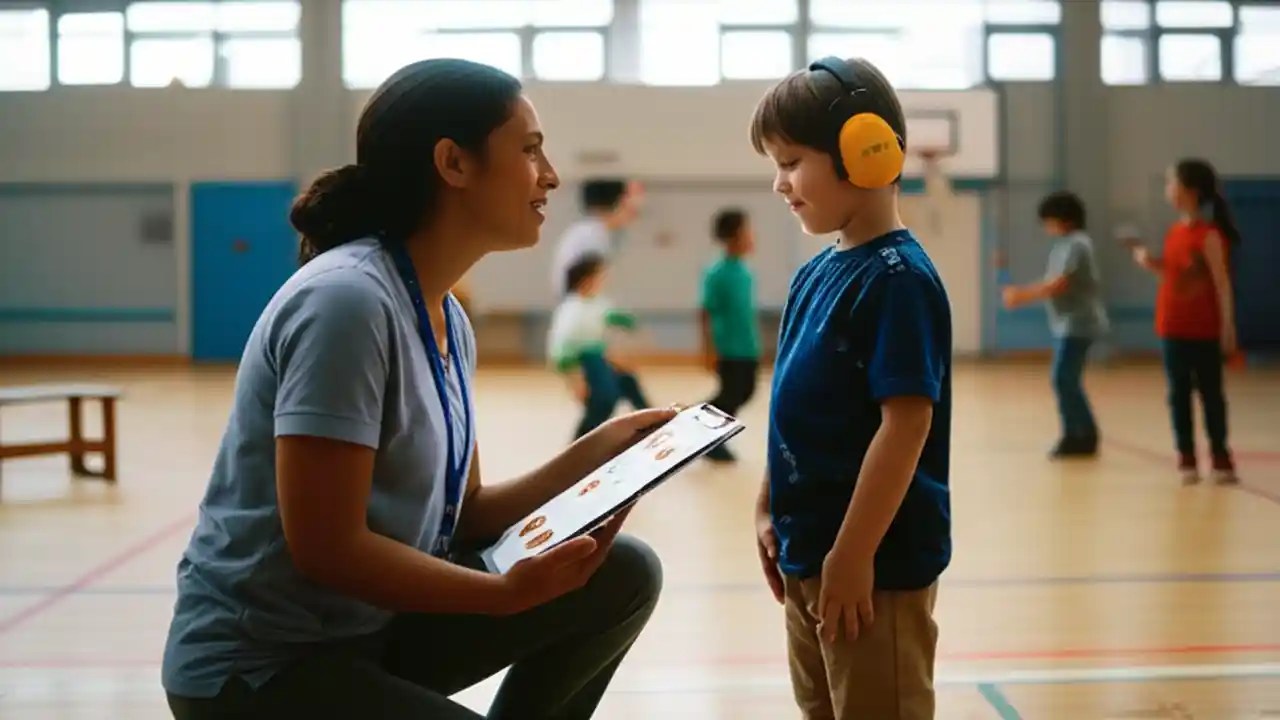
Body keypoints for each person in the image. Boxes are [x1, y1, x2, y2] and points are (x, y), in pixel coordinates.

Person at [160, 58, 671, 720]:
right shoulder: (346, 302)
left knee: (623, 574)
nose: (550, 175)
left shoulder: (445, 314)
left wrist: (600, 452)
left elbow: (469, 513)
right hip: (261, 668)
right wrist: (504, 594)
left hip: (368, 631)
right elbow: (327, 548)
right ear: (453, 163)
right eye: (529, 149)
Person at [748, 56, 952, 719]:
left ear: (864, 154)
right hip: (813, 555)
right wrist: (766, 505)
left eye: (790, 162)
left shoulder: (898, 282)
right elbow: (791, 411)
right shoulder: (817, 274)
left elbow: (907, 424)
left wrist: (854, 553)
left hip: (872, 570)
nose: (779, 184)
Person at [1130, 158, 1241, 485]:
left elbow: (1222, 284)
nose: (1168, 189)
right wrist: (1151, 264)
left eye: (1171, 182)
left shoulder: (1209, 236)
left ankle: (1221, 457)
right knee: (1177, 395)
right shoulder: (1174, 233)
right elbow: (1174, 277)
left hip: (1203, 329)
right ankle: (1186, 456)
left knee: (1211, 394)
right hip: (1171, 327)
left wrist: (1227, 327)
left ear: (1190, 191)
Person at [1001, 191, 1109, 458]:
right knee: (1066, 379)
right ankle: (1081, 433)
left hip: (1078, 323)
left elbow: (1059, 284)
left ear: (1063, 218)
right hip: (1068, 323)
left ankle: (1079, 435)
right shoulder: (1065, 244)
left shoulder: (1077, 244)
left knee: (1063, 378)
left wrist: (1021, 295)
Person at [547, 254, 653, 440]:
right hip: (584, 363)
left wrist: (630, 325)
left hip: (598, 359)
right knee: (604, 399)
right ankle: (581, 441)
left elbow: (611, 317)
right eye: (600, 276)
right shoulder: (572, 310)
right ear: (586, 280)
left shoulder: (598, 303)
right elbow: (562, 348)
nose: (604, 280)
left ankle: (653, 424)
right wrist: (575, 379)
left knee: (628, 383)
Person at [699, 207, 761, 464]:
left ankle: (706, 431)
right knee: (731, 394)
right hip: (728, 348)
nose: (753, 237)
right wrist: (709, 349)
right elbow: (705, 312)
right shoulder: (717, 272)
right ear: (734, 236)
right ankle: (701, 429)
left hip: (748, 346)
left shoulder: (744, 271)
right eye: (747, 232)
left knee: (744, 392)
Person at [549, 179, 643, 298]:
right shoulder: (592, 236)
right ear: (618, 203)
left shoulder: (590, 231)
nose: (635, 209)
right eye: (628, 201)